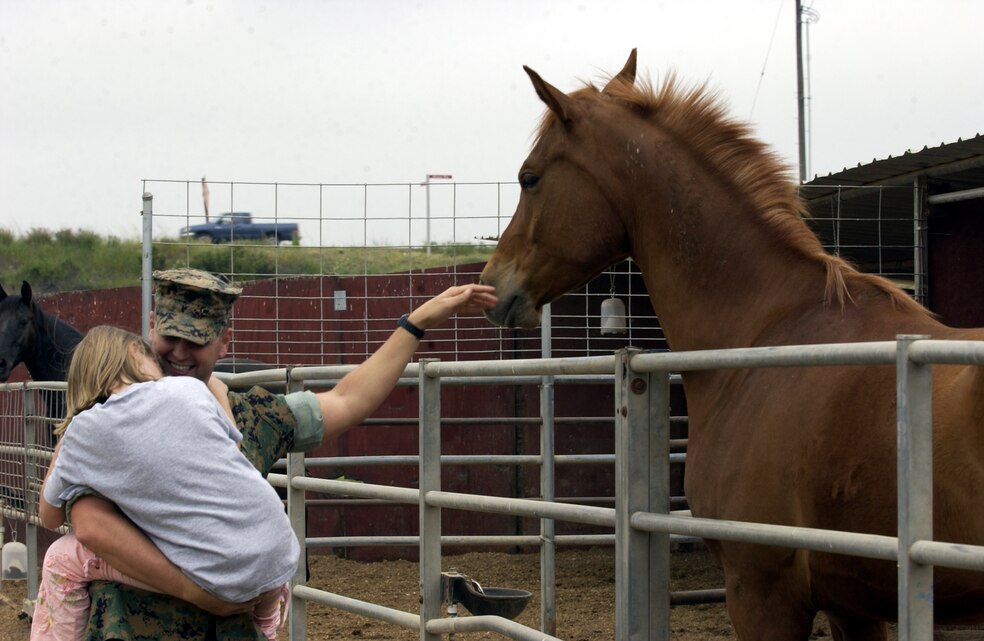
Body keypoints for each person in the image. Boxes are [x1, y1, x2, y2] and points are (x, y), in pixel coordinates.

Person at [64, 269, 498, 641]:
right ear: (152, 327)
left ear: (224, 343)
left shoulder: (252, 417)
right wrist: (196, 592)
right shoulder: (112, 421)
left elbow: (348, 399)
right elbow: (90, 523)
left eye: (196, 341)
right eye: (170, 337)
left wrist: (415, 324)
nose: (179, 353)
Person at [31, 326, 299, 641]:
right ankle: (265, 630)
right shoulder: (189, 389)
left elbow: (48, 517)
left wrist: (66, 440)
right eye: (155, 360)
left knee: (61, 557)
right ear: (134, 354)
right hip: (280, 555)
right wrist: (219, 391)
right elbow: (235, 445)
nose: (163, 367)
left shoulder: (84, 432)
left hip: (221, 580)